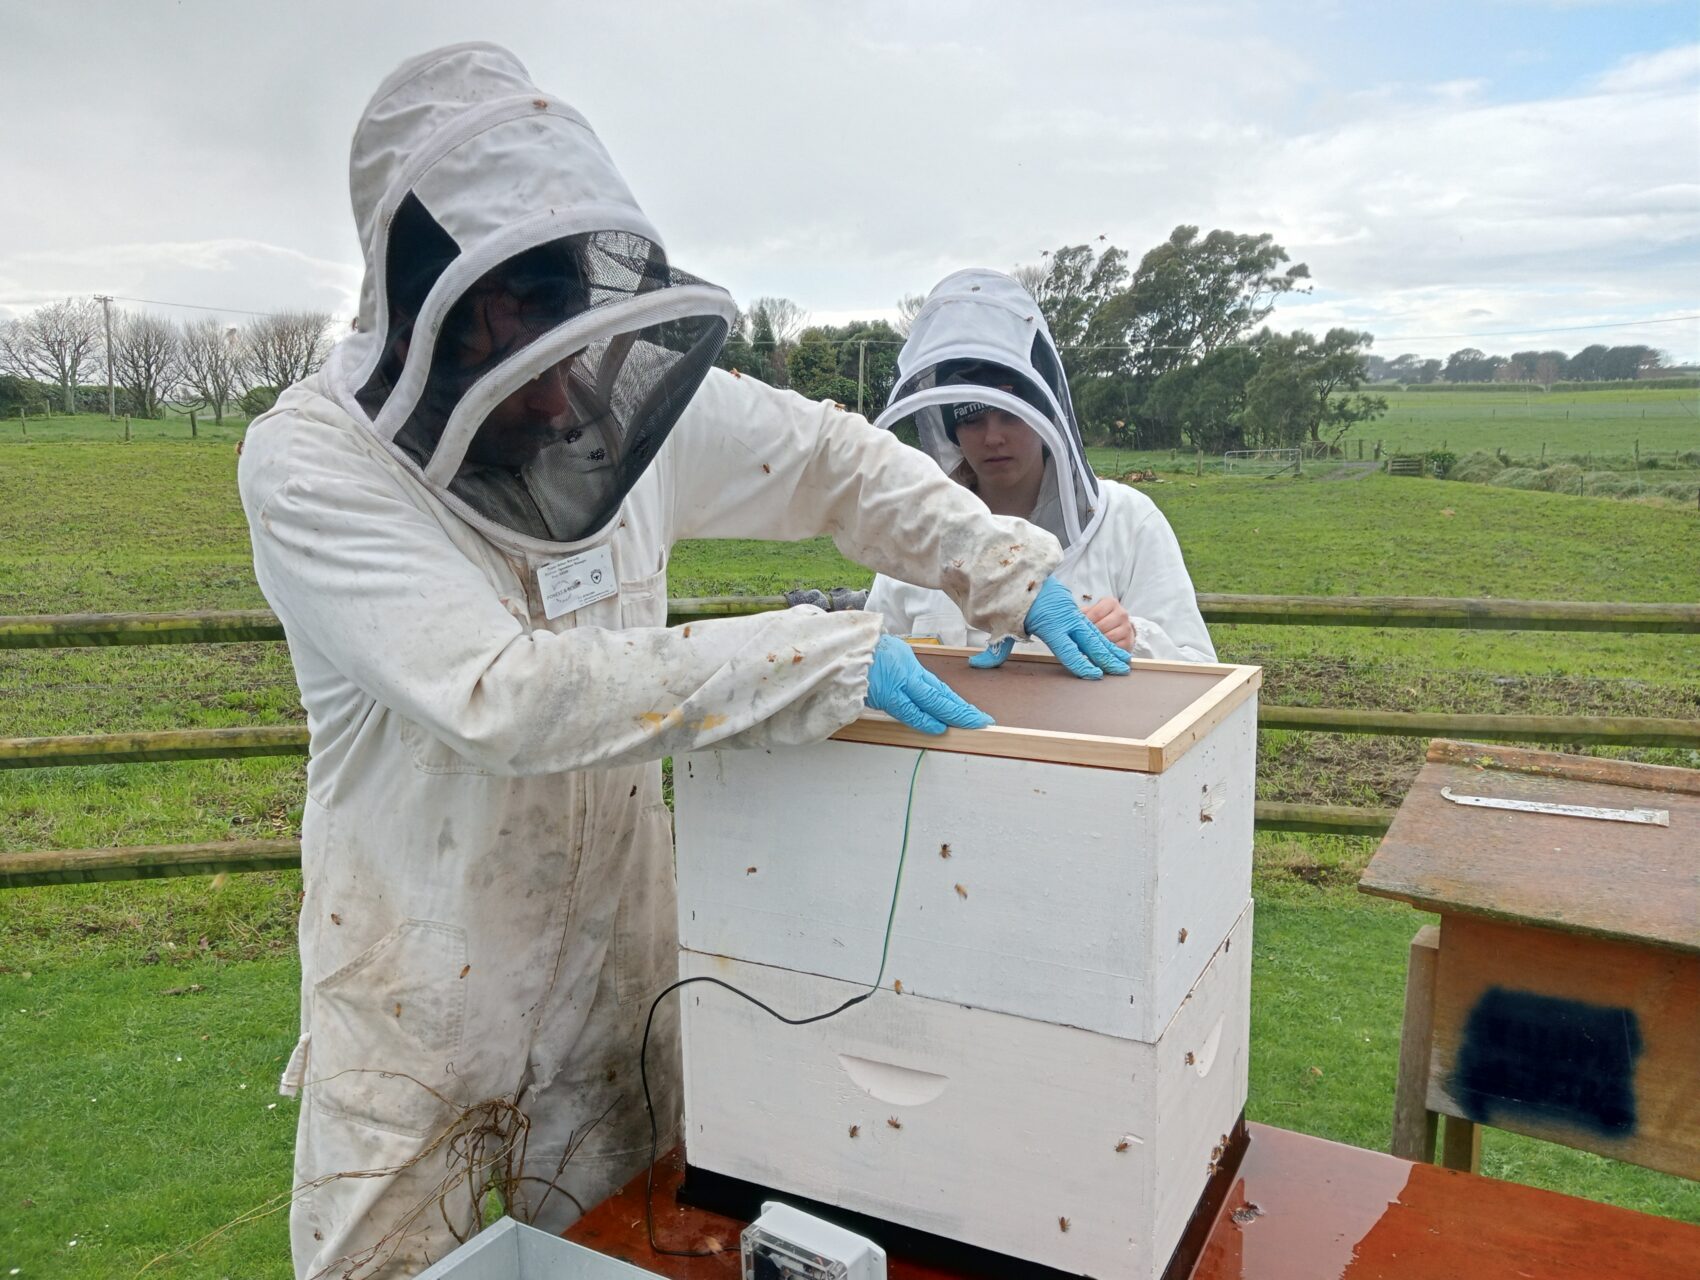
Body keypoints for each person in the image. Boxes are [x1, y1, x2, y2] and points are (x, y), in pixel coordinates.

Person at [237, 44, 1127, 1280]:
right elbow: (501, 693)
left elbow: (828, 456)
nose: (561, 392)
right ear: (439, 302)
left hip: (620, 986)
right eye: (525, 334)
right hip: (417, 1011)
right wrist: (811, 657)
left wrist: (997, 560)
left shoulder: (606, 410)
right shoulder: (314, 467)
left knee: (634, 1254)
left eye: (569, 329)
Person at [867, 269, 1216, 664]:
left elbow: (1199, 667)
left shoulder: (1128, 522)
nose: (992, 437)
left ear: (1045, 414)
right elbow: (872, 660)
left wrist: (1134, 637)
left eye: (1009, 414)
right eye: (971, 418)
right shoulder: (918, 538)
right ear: (950, 430)